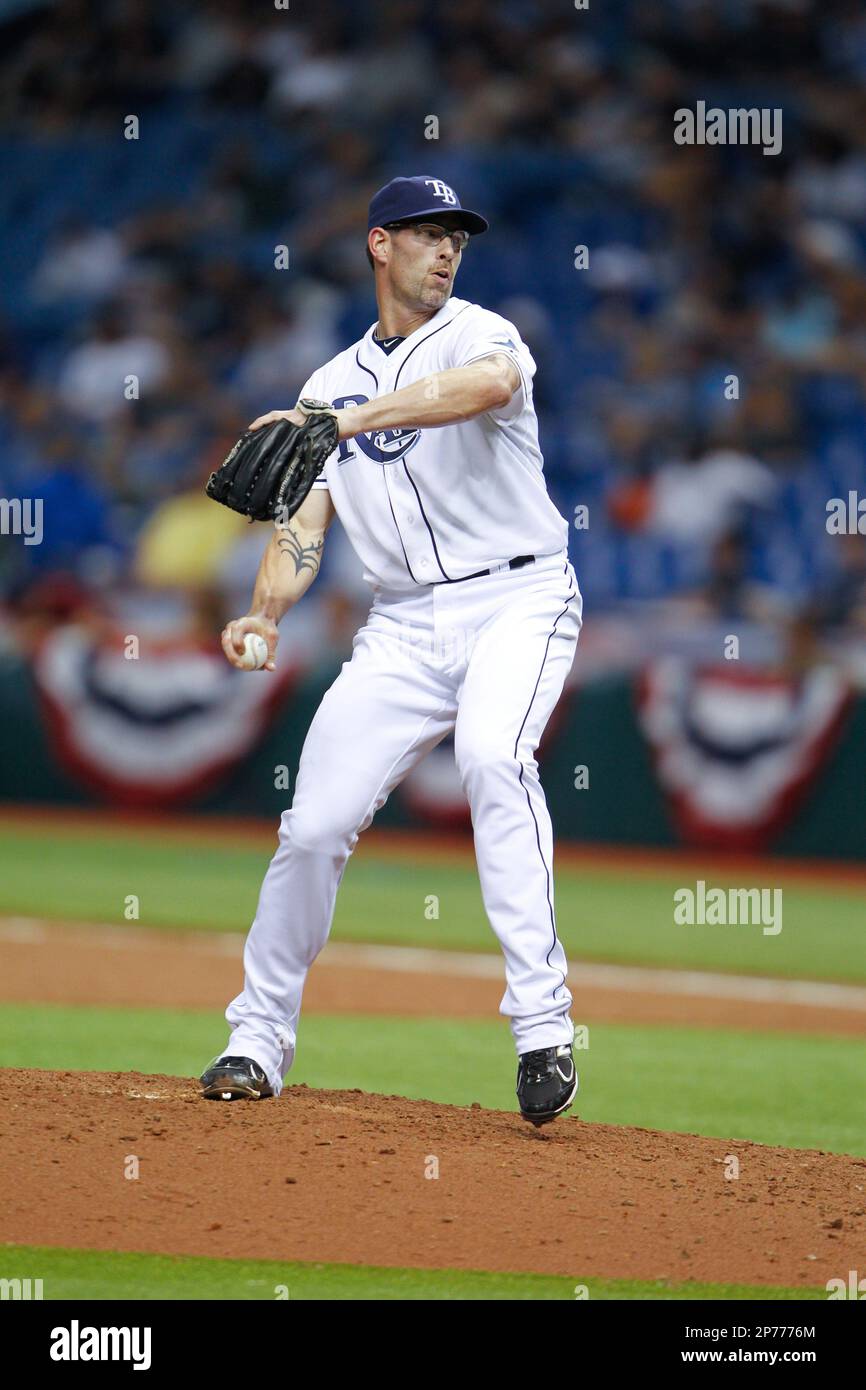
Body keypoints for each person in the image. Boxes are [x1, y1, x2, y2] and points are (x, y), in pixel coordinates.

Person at [199, 176, 583, 1125]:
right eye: (425, 234)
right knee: (315, 826)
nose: (446, 251)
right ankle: (256, 1038)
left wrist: (345, 423)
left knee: (496, 758)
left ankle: (542, 1024)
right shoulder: (324, 387)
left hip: (518, 597)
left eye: (457, 236)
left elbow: (485, 389)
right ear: (379, 244)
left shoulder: (484, 335)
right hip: (403, 626)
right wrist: (266, 612)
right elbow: (302, 522)